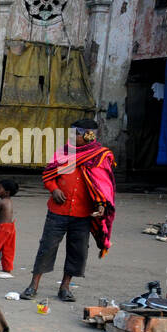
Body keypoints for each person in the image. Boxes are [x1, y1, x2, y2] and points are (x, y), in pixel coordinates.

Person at [21, 118, 116, 303]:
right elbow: (49, 174)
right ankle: (33, 285)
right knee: (46, 247)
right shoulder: (64, 152)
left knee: (77, 251)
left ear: (89, 136)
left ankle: (65, 287)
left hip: (83, 214)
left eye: (76, 134)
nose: (72, 138)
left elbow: (104, 187)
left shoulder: (101, 156)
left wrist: (101, 205)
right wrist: (54, 189)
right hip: (57, 211)